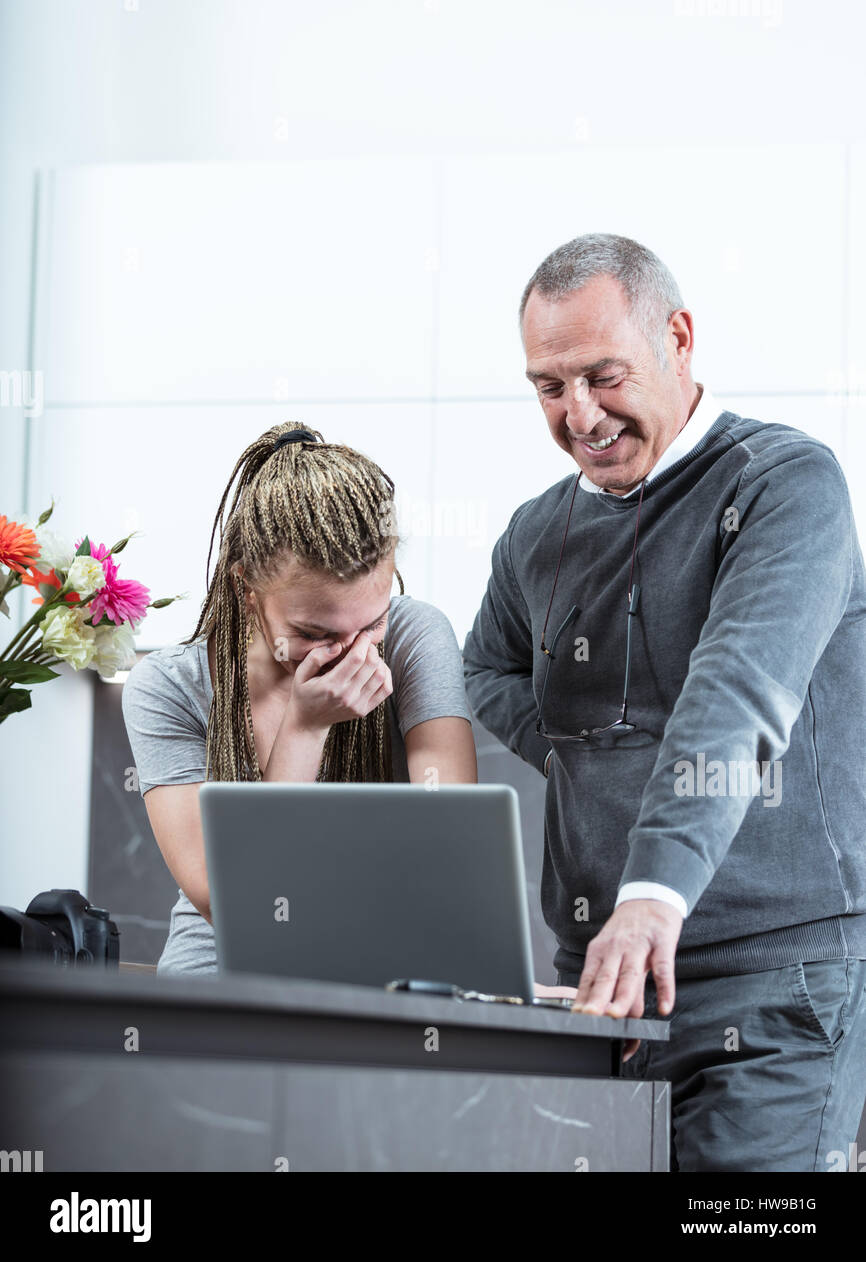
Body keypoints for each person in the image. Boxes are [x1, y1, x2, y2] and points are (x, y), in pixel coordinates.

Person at [462, 232, 866, 1172]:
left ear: (679, 337)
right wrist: (607, 759)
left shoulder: (784, 485)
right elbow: (489, 670)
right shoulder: (536, 533)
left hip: (772, 977)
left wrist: (652, 892)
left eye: (603, 375)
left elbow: (737, 688)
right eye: (548, 387)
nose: (580, 415)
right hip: (601, 988)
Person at [122, 422, 477, 975]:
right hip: (224, 969)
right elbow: (231, 904)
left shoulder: (416, 637)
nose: (349, 653)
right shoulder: (169, 687)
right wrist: (306, 729)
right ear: (246, 587)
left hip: (391, 958)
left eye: (373, 622)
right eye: (314, 633)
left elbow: (453, 844)